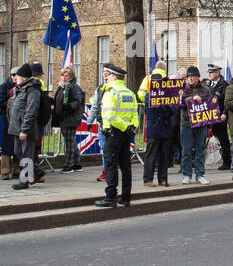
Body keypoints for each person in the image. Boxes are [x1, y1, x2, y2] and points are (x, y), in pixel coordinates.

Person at [94, 62, 138, 208]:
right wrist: (130, 127)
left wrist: (122, 127)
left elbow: (109, 114)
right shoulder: (129, 93)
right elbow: (134, 115)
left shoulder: (110, 91)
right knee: (125, 166)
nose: (106, 77)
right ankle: (126, 197)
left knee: (111, 164)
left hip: (113, 133)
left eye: (108, 75)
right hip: (126, 134)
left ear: (113, 76)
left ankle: (110, 197)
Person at [7, 64, 43, 190]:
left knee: (26, 154)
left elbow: (31, 110)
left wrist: (25, 129)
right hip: (17, 127)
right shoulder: (21, 88)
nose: (16, 77)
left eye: (19, 76)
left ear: (25, 78)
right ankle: (36, 171)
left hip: (25, 128)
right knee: (18, 152)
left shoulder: (32, 90)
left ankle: (24, 180)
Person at [140, 64, 176, 187]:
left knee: (164, 156)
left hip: (165, 129)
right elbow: (151, 106)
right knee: (151, 155)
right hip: (154, 129)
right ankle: (148, 179)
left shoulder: (167, 95)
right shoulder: (148, 95)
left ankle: (163, 179)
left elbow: (173, 110)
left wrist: (166, 102)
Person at [179, 66, 212, 185]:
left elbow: (210, 106)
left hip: (201, 124)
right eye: (189, 77)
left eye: (193, 76)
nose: (191, 79)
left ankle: (200, 174)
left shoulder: (205, 89)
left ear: (198, 77)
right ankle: (186, 174)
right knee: (186, 150)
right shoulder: (182, 88)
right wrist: (191, 99)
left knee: (200, 150)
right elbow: (179, 103)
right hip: (186, 123)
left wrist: (209, 126)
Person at [53, 67, 85, 172]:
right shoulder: (61, 87)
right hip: (63, 117)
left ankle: (69, 164)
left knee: (69, 141)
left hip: (71, 117)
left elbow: (77, 101)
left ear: (71, 76)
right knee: (70, 140)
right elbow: (57, 100)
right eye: (63, 75)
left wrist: (68, 106)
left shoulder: (74, 87)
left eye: (66, 75)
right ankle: (76, 163)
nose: (64, 77)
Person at [205, 64, 232, 170]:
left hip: (220, 116)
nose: (209, 74)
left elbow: (226, 101)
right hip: (211, 116)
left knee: (223, 139)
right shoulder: (210, 84)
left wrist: (225, 113)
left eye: (211, 72)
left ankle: (227, 162)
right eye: (209, 72)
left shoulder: (224, 85)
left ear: (217, 73)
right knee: (214, 136)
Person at [0, 67, 17, 180]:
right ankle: (5, 170)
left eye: (17, 76)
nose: (15, 78)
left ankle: (17, 170)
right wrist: (12, 104)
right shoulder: (4, 87)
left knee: (17, 145)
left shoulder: (22, 87)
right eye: (14, 75)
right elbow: (1, 102)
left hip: (18, 120)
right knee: (7, 145)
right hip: (8, 119)